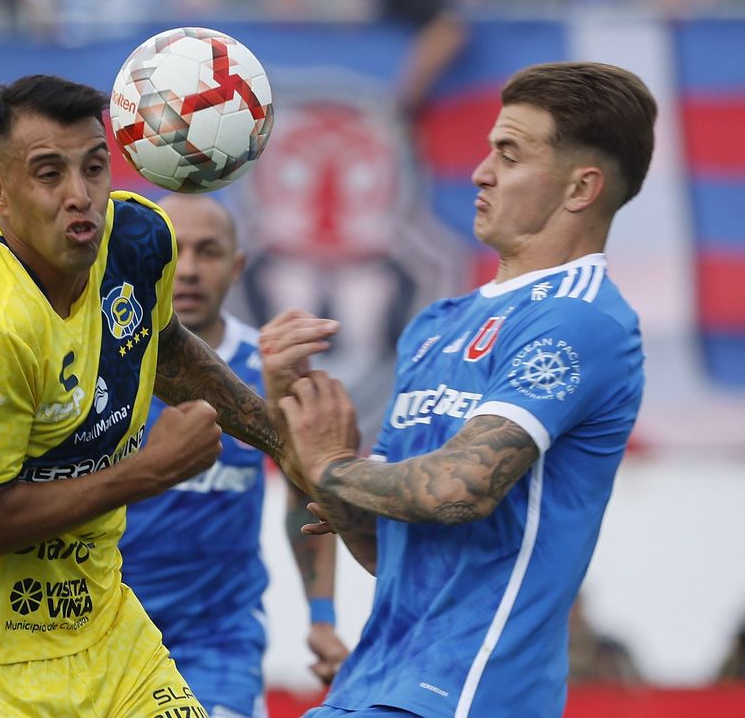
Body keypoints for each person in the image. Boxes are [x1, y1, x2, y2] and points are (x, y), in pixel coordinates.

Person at [0, 74, 296, 717]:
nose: (81, 197)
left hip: (106, 627)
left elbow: (161, 344)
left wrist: (287, 443)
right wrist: (150, 471)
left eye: (95, 166)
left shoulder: (138, 239)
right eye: (48, 174)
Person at [261, 61, 656, 717]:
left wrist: (334, 467)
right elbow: (386, 550)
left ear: (580, 187)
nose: (481, 172)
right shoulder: (436, 327)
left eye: (509, 153)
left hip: (473, 694)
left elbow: (458, 488)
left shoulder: (580, 319)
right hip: (370, 687)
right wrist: (287, 406)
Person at [120, 193, 350, 717]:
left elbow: (303, 502)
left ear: (237, 266)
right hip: (108, 629)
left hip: (219, 640)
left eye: (210, 252)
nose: (191, 270)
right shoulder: (104, 368)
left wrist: (321, 617)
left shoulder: (269, 372)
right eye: (174, 252)